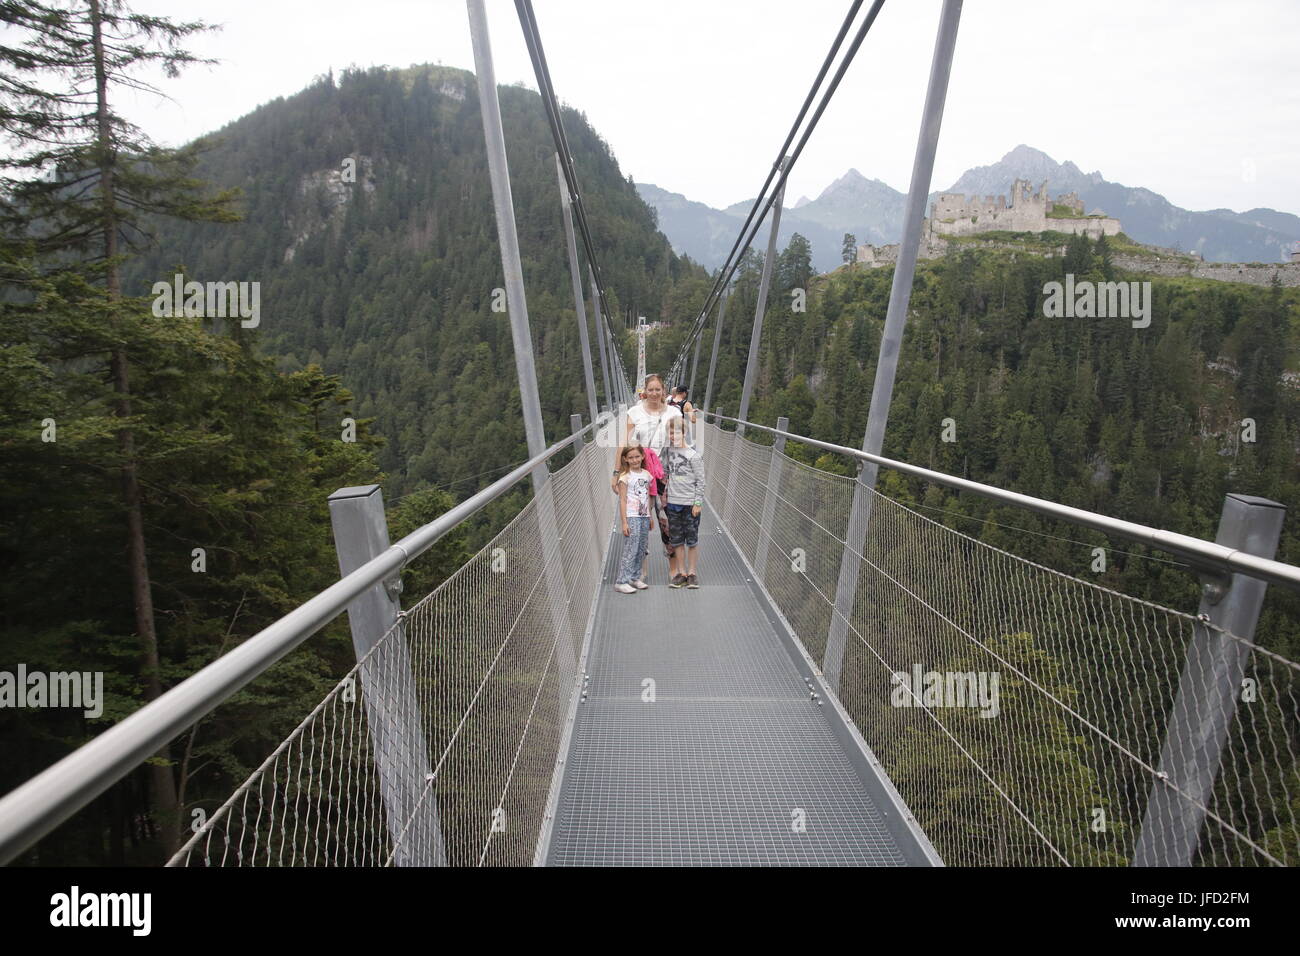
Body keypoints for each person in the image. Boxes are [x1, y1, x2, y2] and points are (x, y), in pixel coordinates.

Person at [612, 373, 681, 575]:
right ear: (644, 391)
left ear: (663, 392)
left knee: (667, 522)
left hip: (665, 476)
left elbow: (681, 442)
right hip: (638, 475)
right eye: (650, 389)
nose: (653, 393)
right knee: (639, 521)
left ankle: (673, 567)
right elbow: (624, 444)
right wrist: (616, 473)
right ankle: (641, 568)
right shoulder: (634, 413)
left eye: (657, 389)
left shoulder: (674, 413)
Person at [663, 417, 706, 588]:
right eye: (671, 432)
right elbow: (665, 471)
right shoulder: (668, 452)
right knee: (677, 540)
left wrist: (698, 503)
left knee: (692, 539)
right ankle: (681, 572)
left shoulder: (693, 455)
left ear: (685, 433)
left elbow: (701, 481)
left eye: (677, 432)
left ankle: (692, 573)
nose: (674, 435)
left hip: (689, 504)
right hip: (673, 502)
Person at [613, 443, 652, 594]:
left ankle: (635, 577)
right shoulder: (625, 477)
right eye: (631, 458)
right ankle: (621, 581)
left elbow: (647, 497)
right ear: (625, 459)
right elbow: (622, 500)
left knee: (642, 548)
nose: (635, 460)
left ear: (642, 456)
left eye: (637, 456)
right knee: (631, 548)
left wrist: (650, 517)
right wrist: (624, 522)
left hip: (644, 516)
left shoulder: (647, 475)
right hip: (631, 516)